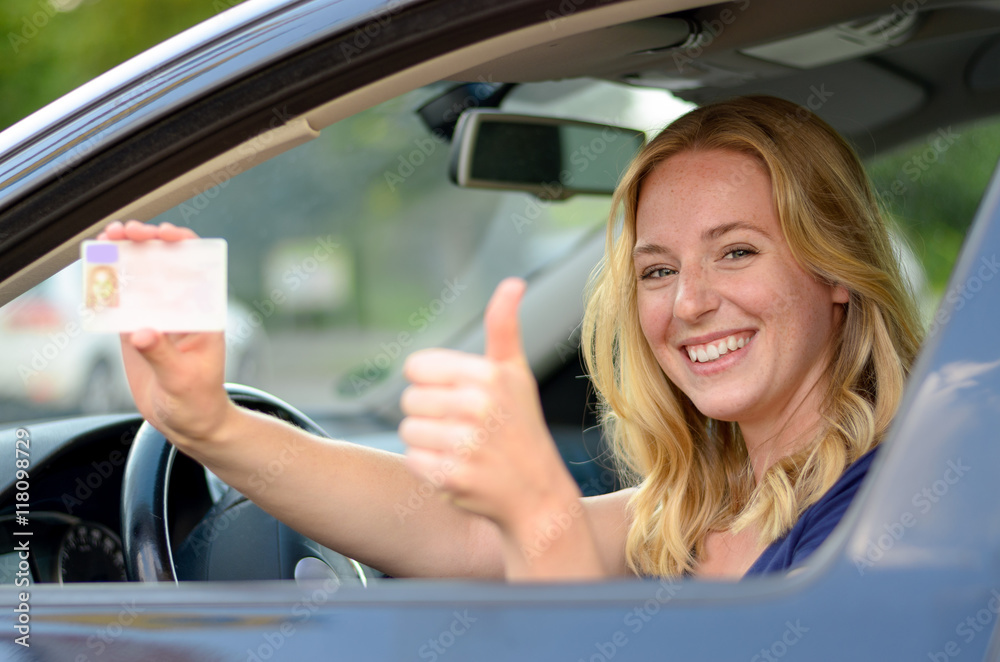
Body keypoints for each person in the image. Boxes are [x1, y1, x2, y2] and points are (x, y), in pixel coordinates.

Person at [102, 95, 922, 582]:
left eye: (736, 251)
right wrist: (207, 423)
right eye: (657, 271)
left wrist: (541, 518)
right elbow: (448, 532)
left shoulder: (913, 512)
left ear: (836, 268)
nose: (691, 303)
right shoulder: (696, 509)